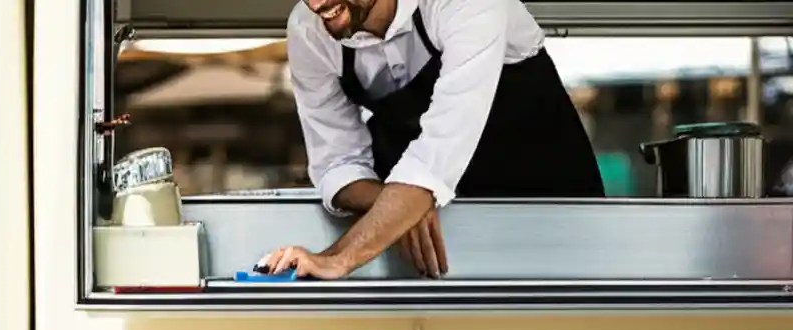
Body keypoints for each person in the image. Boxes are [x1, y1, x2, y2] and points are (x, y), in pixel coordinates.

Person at [257, 0, 605, 280]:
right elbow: (336, 163)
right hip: (437, 255)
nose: (316, 4)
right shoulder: (308, 30)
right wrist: (395, 208)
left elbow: (433, 160)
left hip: (554, 222)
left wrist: (336, 259)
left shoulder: (465, 4)